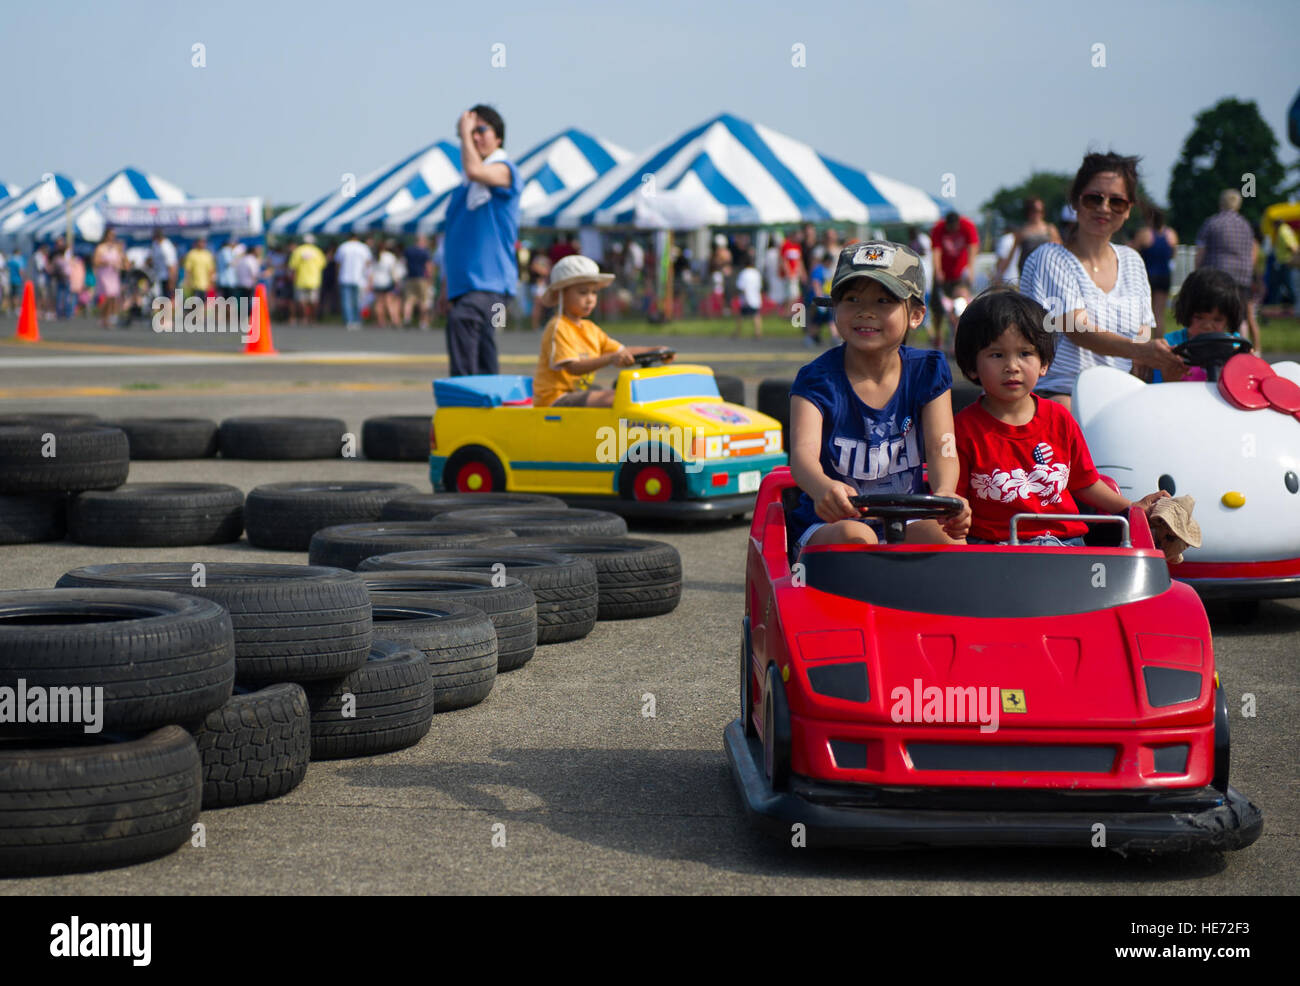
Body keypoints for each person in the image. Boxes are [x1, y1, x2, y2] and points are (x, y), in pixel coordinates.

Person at [786, 241, 971, 553]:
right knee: (859, 540)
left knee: (950, 540)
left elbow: (943, 447)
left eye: (884, 300)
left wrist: (944, 494)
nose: (866, 311)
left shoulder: (927, 370)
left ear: (915, 315)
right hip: (831, 521)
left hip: (906, 514)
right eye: (852, 298)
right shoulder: (816, 379)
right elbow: (802, 457)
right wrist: (823, 488)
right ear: (835, 308)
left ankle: (932, 603)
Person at [953, 288, 1169, 546]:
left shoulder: (1059, 418)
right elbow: (955, 502)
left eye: (1025, 353)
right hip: (997, 552)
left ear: (1043, 363)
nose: (1012, 366)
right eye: (997, 355)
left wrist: (1134, 508)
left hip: (1066, 546)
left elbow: (1085, 483)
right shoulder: (963, 428)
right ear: (971, 366)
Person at [1018, 151, 1183, 410]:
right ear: (1075, 201)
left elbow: (1142, 334)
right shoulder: (1049, 257)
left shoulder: (1132, 261)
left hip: (1119, 396)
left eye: (1116, 202)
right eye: (1094, 198)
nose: (1104, 208)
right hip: (1061, 393)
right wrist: (1142, 351)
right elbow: (1078, 329)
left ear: (1128, 210)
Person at [443, 104, 523, 375]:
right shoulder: (465, 186)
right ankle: (491, 407)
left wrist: (465, 134)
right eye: (468, 132)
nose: (474, 137)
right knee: (482, 347)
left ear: (498, 137)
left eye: (481, 130)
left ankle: (465, 406)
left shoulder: (504, 170)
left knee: (463, 321)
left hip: (492, 284)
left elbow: (477, 171)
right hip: (467, 285)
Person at [532, 255, 670, 407]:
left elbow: (623, 351)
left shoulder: (590, 328)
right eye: (583, 292)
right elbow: (573, 367)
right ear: (560, 295)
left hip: (576, 394)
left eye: (594, 292)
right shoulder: (558, 327)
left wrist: (656, 350)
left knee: (630, 393)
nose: (590, 299)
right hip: (555, 399)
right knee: (618, 399)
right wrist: (611, 359)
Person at [1149, 268, 1246, 383]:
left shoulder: (1236, 346)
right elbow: (1156, 390)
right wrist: (1169, 376)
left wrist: (1245, 362)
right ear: (1186, 312)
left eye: (1217, 319)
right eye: (1199, 317)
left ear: (1229, 319)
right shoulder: (1170, 346)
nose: (1208, 326)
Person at [1196, 189, 1259, 349]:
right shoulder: (1246, 225)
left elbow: (1201, 252)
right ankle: (1243, 350)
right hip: (1242, 276)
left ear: (1221, 203)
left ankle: (1216, 348)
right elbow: (1253, 251)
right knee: (1241, 317)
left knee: (1215, 315)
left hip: (1218, 275)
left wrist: (1196, 272)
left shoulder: (1212, 223)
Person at [929, 211, 980, 351]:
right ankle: (938, 337)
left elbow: (972, 248)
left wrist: (970, 269)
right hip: (944, 275)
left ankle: (957, 340)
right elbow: (936, 251)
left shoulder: (967, 226)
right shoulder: (938, 228)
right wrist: (938, 270)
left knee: (959, 308)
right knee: (938, 308)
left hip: (960, 275)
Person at [1131, 207, 1178, 335]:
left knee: (1143, 313)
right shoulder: (1171, 234)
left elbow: (1131, 252)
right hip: (1164, 276)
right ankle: (1158, 342)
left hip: (1147, 276)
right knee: (1159, 313)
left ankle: (1143, 342)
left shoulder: (1144, 234)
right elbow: (1173, 255)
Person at [994, 198, 1061, 284]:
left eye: (1040, 210)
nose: (1037, 214)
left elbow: (1059, 251)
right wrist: (999, 275)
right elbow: (1011, 255)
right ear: (1028, 211)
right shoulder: (1022, 231)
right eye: (1034, 210)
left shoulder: (1050, 229)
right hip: (1028, 273)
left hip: (1047, 272)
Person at [334, 231, 372, 330]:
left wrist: (337, 275)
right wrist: (367, 276)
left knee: (346, 301)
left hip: (345, 277)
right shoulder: (363, 247)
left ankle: (349, 321)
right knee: (357, 301)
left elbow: (338, 263)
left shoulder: (343, 247)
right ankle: (357, 320)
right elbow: (368, 263)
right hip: (359, 278)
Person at [287, 233, 327, 325]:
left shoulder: (298, 251)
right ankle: (312, 318)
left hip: (300, 280)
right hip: (314, 280)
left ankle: (305, 317)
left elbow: (292, 266)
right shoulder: (317, 251)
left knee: (302, 301)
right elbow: (323, 265)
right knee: (314, 301)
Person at [92, 228, 126, 329]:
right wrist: (106, 263)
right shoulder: (101, 248)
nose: (112, 237)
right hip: (104, 274)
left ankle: (108, 317)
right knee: (107, 295)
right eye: (110, 235)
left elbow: (122, 260)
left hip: (113, 274)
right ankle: (103, 316)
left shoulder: (116, 248)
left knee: (113, 296)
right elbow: (96, 261)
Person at [402, 234, 434, 330]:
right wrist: (430, 278)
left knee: (409, 300)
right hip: (421, 278)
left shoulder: (408, 250)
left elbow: (405, 263)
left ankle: (407, 318)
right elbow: (428, 266)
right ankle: (423, 322)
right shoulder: (425, 252)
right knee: (423, 300)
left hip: (410, 277)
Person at [733, 250, 762, 340]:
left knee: (741, 315)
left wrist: (745, 298)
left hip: (746, 298)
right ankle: (758, 332)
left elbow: (741, 287)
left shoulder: (744, 273)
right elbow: (759, 286)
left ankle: (738, 332)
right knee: (756, 315)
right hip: (755, 298)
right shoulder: (756, 273)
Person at [369, 239, 399, 327]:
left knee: (379, 303)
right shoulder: (390, 256)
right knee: (390, 302)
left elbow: (371, 272)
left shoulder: (374, 257)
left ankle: (381, 321)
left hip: (377, 282)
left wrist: (370, 283)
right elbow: (393, 270)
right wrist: (396, 281)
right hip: (387, 282)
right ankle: (394, 320)